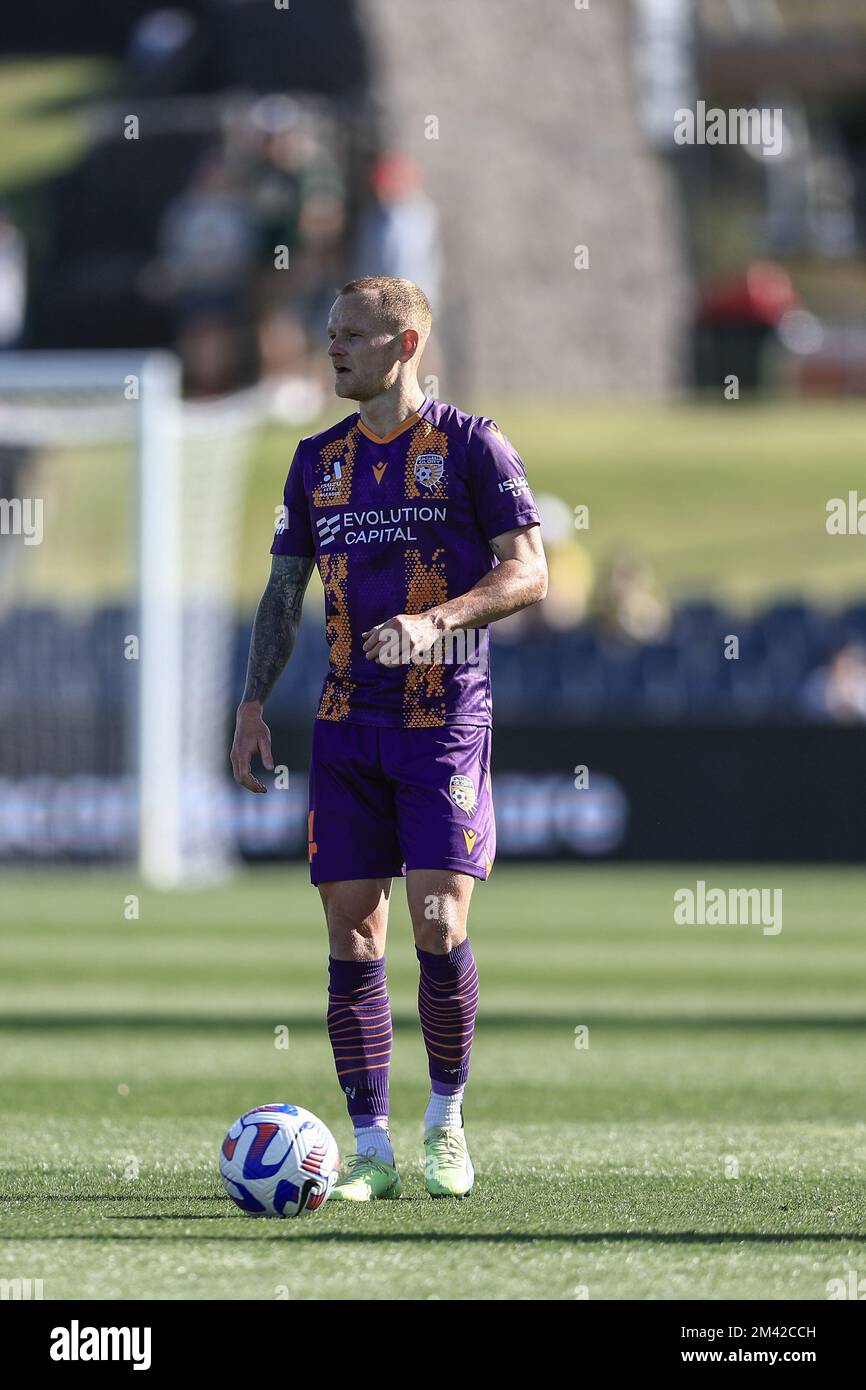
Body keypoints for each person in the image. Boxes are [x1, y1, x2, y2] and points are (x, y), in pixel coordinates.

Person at [230, 275, 547, 1200]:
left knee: (439, 922)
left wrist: (438, 620)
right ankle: (368, 1148)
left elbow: (528, 571)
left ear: (404, 346)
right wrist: (252, 708)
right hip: (345, 721)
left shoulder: (472, 447)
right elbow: (285, 591)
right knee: (351, 933)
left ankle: (445, 1125)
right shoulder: (315, 460)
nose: (332, 349)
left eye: (352, 336)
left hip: (443, 718)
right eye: (328, 334)